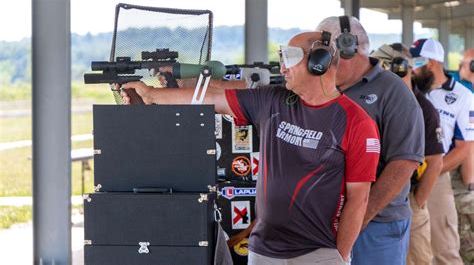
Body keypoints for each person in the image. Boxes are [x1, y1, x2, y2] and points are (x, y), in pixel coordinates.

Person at [120, 31, 381, 264]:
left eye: (289, 57)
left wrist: (339, 255)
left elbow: (359, 199)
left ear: (318, 63)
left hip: (318, 254)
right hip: (264, 250)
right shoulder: (273, 100)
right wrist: (150, 95)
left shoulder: (356, 123)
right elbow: (210, 97)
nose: (283, 66)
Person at [316, 16, 425, 265]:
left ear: (348, 47)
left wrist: (360, 217)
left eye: (325, 52)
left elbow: (404, 163)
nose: (321, 62)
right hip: (324, 222)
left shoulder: (394, 92)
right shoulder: (322, 88)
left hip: (375, 225)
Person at [371, 43, 444, 265]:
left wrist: (418, 201)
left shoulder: (423, 109)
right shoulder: (379, 100)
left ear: (399, 68)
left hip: (406, 197)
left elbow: (435, 162)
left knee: (419, 259)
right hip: (377, 196)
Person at [410, 38, 474, 265]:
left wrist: (428, 171)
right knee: (412, 250)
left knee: (444, 250)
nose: (412, 67)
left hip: (437, 178)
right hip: (402, 176)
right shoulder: (409, 88)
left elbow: (464, 148)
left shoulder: (463, 96)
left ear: (432, 62)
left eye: (416, 61)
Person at [451, 47, 474, 264]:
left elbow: (469, 147)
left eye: (463, 64)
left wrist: (469, 185)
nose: (459, 69)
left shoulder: (469, 98)